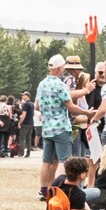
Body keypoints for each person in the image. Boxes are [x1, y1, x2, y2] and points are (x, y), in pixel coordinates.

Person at [36, 53, 76, 201]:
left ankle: (43, 190)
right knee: (63, 160)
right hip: (61, 127)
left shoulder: (42, 84)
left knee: (46, 161)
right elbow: (71, 106)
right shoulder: (61, 85)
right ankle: (58, 190)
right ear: (59, 68)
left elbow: (37, 105)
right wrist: (86, 112)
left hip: (47, 128)